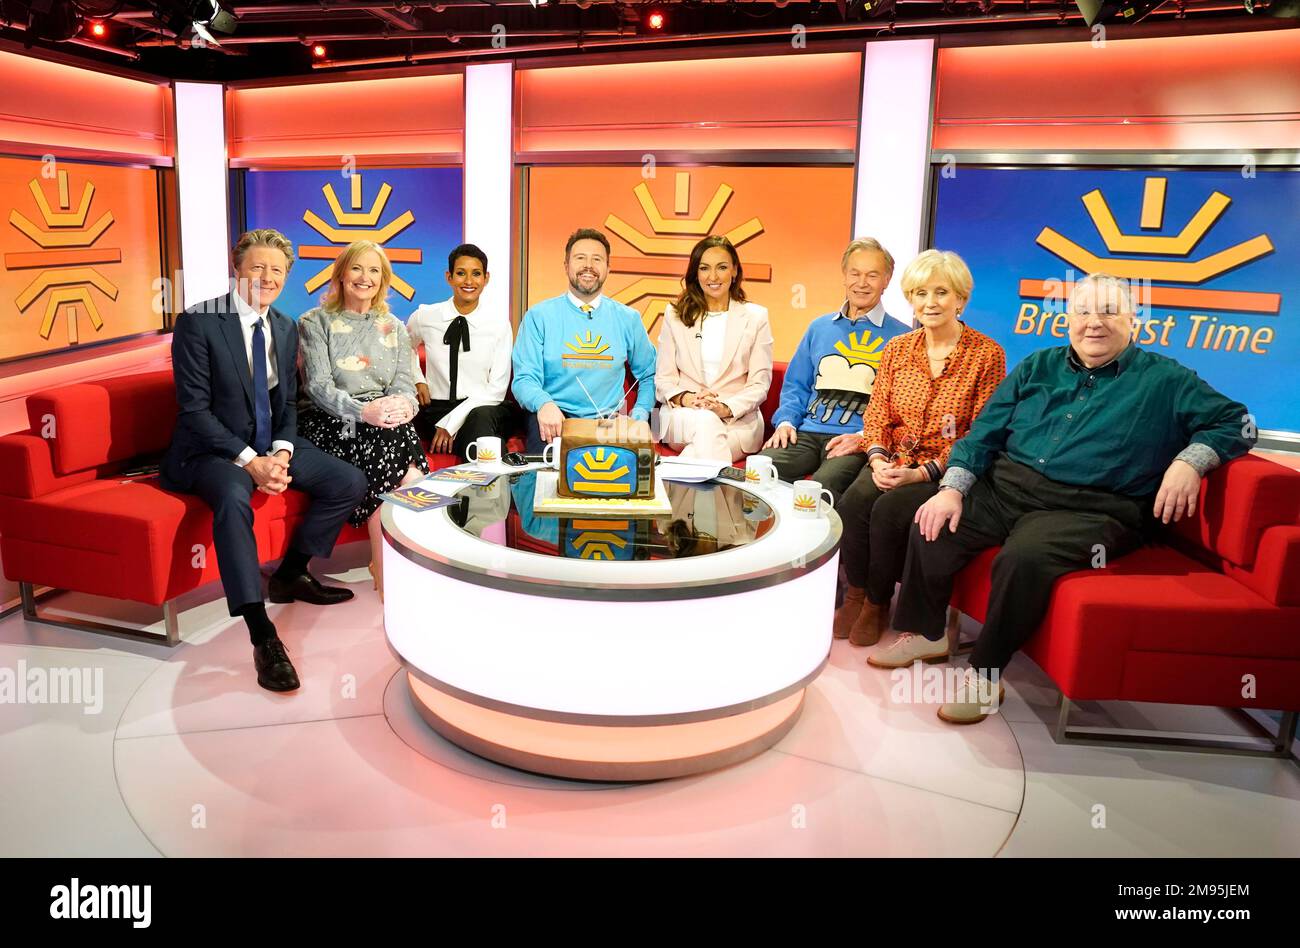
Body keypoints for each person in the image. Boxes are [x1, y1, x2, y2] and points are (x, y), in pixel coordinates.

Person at [870, 273, 1255, 724]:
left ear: (1135, 320)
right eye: (1084, 312)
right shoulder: (1038, 365)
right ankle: (929, 632)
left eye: (1109, 312)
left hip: (1093, 506)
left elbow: (1238, 422)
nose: (1095, 323)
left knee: (1023, 558)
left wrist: (1190, 460)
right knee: (926, 515)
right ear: (1067, 320)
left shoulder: (1165, 378)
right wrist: (952, 489)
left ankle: (985, 675)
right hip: (1007, 487)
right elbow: (984, 434)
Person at [161, 229, 367, 694]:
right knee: (234, 496)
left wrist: (281, 451)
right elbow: (194, 412)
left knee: (347, 481)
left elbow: (287, 404)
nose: (267, 277)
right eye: (257, 267)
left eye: (277, 270)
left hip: (263, 445)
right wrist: (251, 461)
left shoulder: (284, 325)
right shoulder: (199, 321)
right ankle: (262, 634)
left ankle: (291, 574)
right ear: (237, 268)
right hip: (209, 451)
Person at [828, 250, 1005, 646]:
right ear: (910, 298)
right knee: (854, 501)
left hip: (944, 468)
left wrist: (920, 474)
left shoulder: (986, 354)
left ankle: (877, 602)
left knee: (890, 510)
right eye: (920, 293)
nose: (930, 302)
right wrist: (875, 459)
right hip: (891, 459)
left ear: (961, 299)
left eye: (942, 292)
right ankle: (853, 593)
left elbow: (980, 433)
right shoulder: (897, 349)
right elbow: (876, 415)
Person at [297, 240, 428, 601]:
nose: (364, 277)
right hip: (334, 419)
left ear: (383, 279)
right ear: (341, 274)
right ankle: (389, 569)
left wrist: (404, 407)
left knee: (406, 461)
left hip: (384, 420)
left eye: (374, 270)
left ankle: (389, 564)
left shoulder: (394, 326)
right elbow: (318, 387)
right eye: (357, 268)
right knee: (406, 467)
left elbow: (405, 384)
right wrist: (364, 412)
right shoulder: (314, 321)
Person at [759, 237, 910, 501]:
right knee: (760, 469)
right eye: (855, 273)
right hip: (806, 433)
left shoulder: (903, 338)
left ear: (886, 280)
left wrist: (864, 438)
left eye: (872, 275)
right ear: (844, 276)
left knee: (823, 485)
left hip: (856, 438)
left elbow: (900, 407)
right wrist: (785, 422)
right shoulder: (819, 327)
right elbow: (797, 385)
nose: (861, 283)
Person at [512, 227, 657, 453]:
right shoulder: (538, 316)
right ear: (566, 266)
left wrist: (639, 416)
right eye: (580, 258)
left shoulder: (628, 319)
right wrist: (544, 404)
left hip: (609, 422)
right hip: (555, 419)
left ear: (608, 268)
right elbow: (523, 379)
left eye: (597, 259)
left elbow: (649, 374)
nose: (588, 265)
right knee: (543, 476)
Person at [655, 235, 773, 462]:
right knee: (706, 424)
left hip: (736, 422)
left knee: (704, 444)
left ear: (735, 271)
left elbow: (759, 384)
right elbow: (663, 381)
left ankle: (672, 482)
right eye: (704, 268)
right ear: (695, 273)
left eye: (722, 267)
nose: (713, 277)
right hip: (683, 416)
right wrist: (688, 398)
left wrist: (724, 407)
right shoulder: (675, 315)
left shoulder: (756, 317)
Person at [407, 243, 516, 459]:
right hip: (437, 410)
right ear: (449, 277)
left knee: (480, 422)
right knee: (480, 439)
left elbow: (496, 389)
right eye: (460, 273)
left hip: (486, 408)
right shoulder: (426, 316)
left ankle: (487, 488)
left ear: (486, 278)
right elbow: (402, 347)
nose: (468, 281)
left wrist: (451, 424)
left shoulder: (498, 324)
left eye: (476, 274)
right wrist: (417, 379)